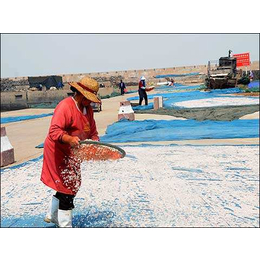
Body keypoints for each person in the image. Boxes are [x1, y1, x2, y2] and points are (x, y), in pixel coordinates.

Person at [41, 76, 100, 227]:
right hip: (58, 150)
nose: (91, 102)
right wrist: (69, 139)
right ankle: (65, 225)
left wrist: (95, 143)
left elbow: (93, 132)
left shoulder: (88, 110)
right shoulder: (65, 106)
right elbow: (54, 131)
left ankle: (52, 215)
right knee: (67, 186)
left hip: (73, 152)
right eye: (89, 98)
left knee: (70, 184)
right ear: (80, 94)